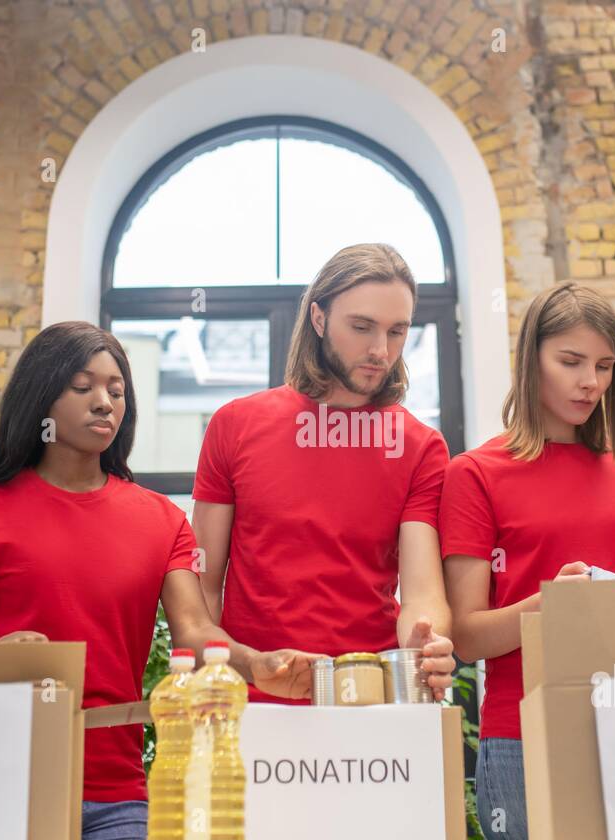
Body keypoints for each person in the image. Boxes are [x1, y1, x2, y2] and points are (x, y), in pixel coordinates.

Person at [0, 321, 319, 840]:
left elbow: (197, 631)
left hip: (117, 795)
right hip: (5, 779)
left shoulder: (159, 519)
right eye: (82, 387)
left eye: (116, 390)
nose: (104, 402)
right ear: (40, 396)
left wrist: (256, 663)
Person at [441, 281, 615, 840]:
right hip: (528, 737)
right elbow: (467, 635)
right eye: (571, 362)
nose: (590, 383)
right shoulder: (475, 474)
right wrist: (548, 606)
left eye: (604, 366)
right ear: (532, 361)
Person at [191, 243, 457, 706]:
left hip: (370, 698)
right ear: (318, 318)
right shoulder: (234, 427)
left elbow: (421, 593)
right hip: (253, 702)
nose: (380, 350)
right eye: (361, 327)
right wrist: (212, 679)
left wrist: (427, 639)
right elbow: (203, 593)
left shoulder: (420, 448)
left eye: (398, 331)